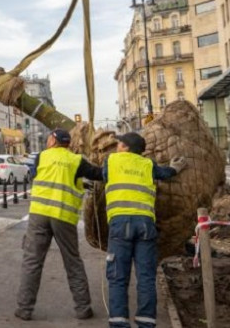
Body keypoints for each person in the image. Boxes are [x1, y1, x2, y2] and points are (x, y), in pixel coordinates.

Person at [14, 128, 104, 321]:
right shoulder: (76, 160)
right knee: (73, 262)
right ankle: (83, 308)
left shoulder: (41, 157)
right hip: (63, 217)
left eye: (49, 138)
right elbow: (99, 174)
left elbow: (37, 175)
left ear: (54, 140)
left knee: (32, 261)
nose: (47, 141)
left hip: (39, 215)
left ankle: (24, 309)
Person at [104, 132, 186, 328]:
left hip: (120, 223)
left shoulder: (112, 161)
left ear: (125, 147)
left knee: (118, 275)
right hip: (145, 224)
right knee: (146, 276)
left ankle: (119, 323)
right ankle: (146, 322)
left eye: (119, 143)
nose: (117, 146)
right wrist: (176, 167)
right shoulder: (148, 165)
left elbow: (103, 177)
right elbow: (165, 174)